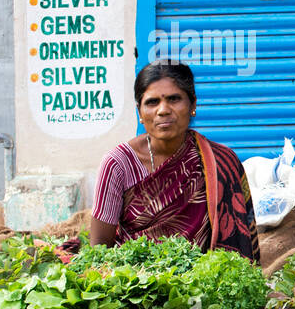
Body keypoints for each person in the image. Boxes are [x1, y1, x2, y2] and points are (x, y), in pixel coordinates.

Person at [88, 60, 260, 262]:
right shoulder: (118, 164)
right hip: (136, 284)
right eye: (152, 102)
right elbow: (99, 249)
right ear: (140, 112)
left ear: (193, 104)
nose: (163, 110)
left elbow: (241, 235)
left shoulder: (220, 160)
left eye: (174, 99)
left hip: (203, 284)